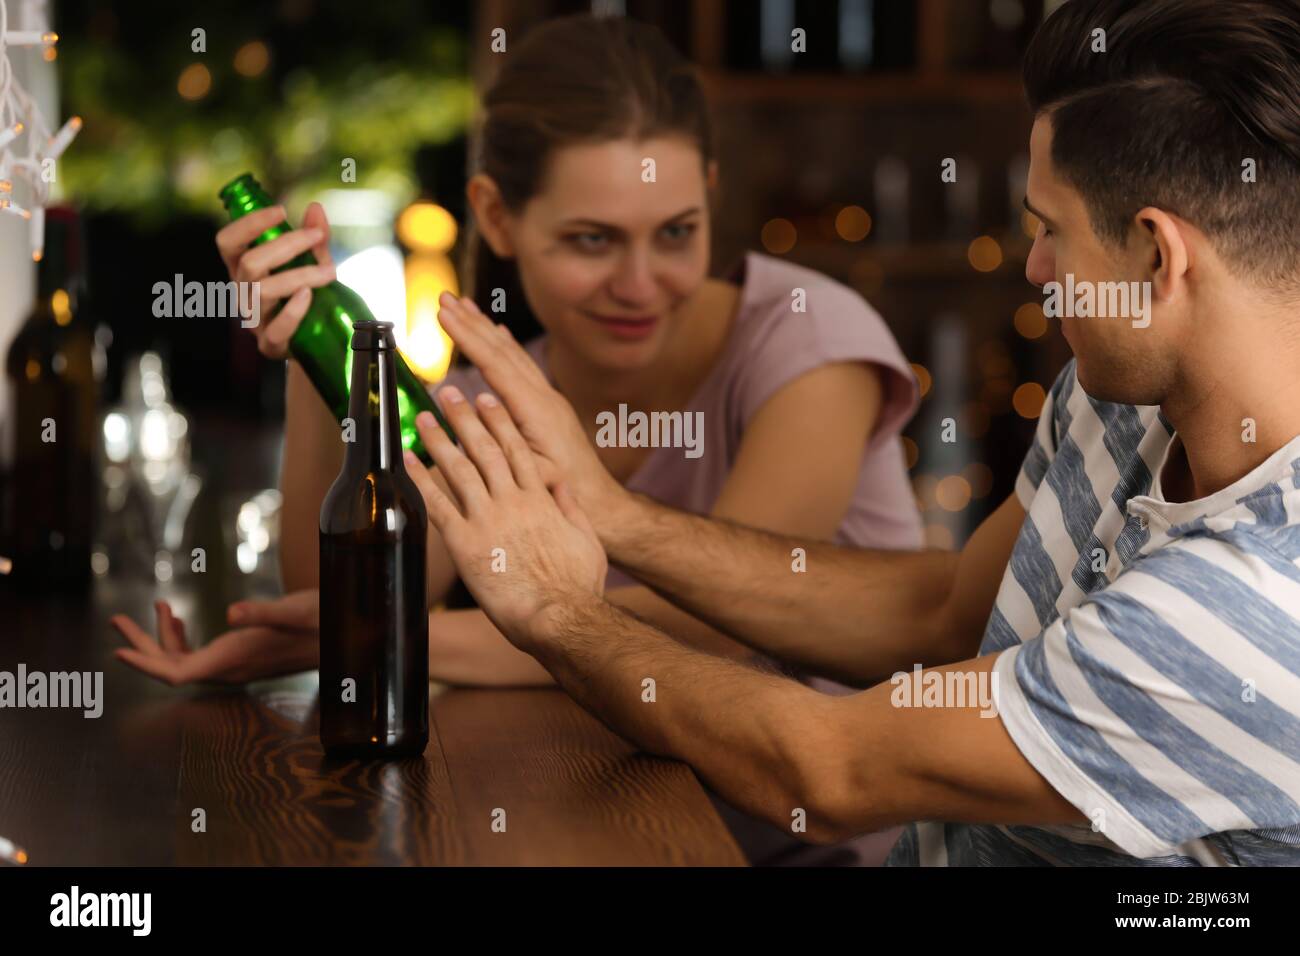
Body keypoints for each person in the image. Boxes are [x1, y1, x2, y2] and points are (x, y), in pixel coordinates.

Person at [395, 0, 1300, 866]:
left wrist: (557, 613)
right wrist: (608, 514)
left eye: (1048, 231)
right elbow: (943, 617)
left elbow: (828, 766)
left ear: (1155, 253)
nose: (1032, 269)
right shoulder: (1119, 400)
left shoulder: (1245, 608)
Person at [111, 15, 920, 865]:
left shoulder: (807, 336)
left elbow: (725, 630)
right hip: (619, 827)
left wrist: (374, 640)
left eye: (676, 231)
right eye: (592, 240)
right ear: (496, 217)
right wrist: (315, 346)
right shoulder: (490, 397)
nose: (641, 284)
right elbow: (349, 593)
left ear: (711, 194)